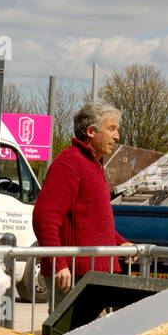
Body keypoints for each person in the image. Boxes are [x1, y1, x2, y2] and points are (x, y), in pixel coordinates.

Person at [32, 101, 132, 294]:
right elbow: (44, 217)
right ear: (90, 131)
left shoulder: (94, 165)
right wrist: (58, 263)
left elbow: (90, 220)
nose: (117, 136)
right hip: (74, 277)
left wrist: (119, 242)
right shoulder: (69, 163)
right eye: (111, 129)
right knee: (71, 326)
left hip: (94, 274)